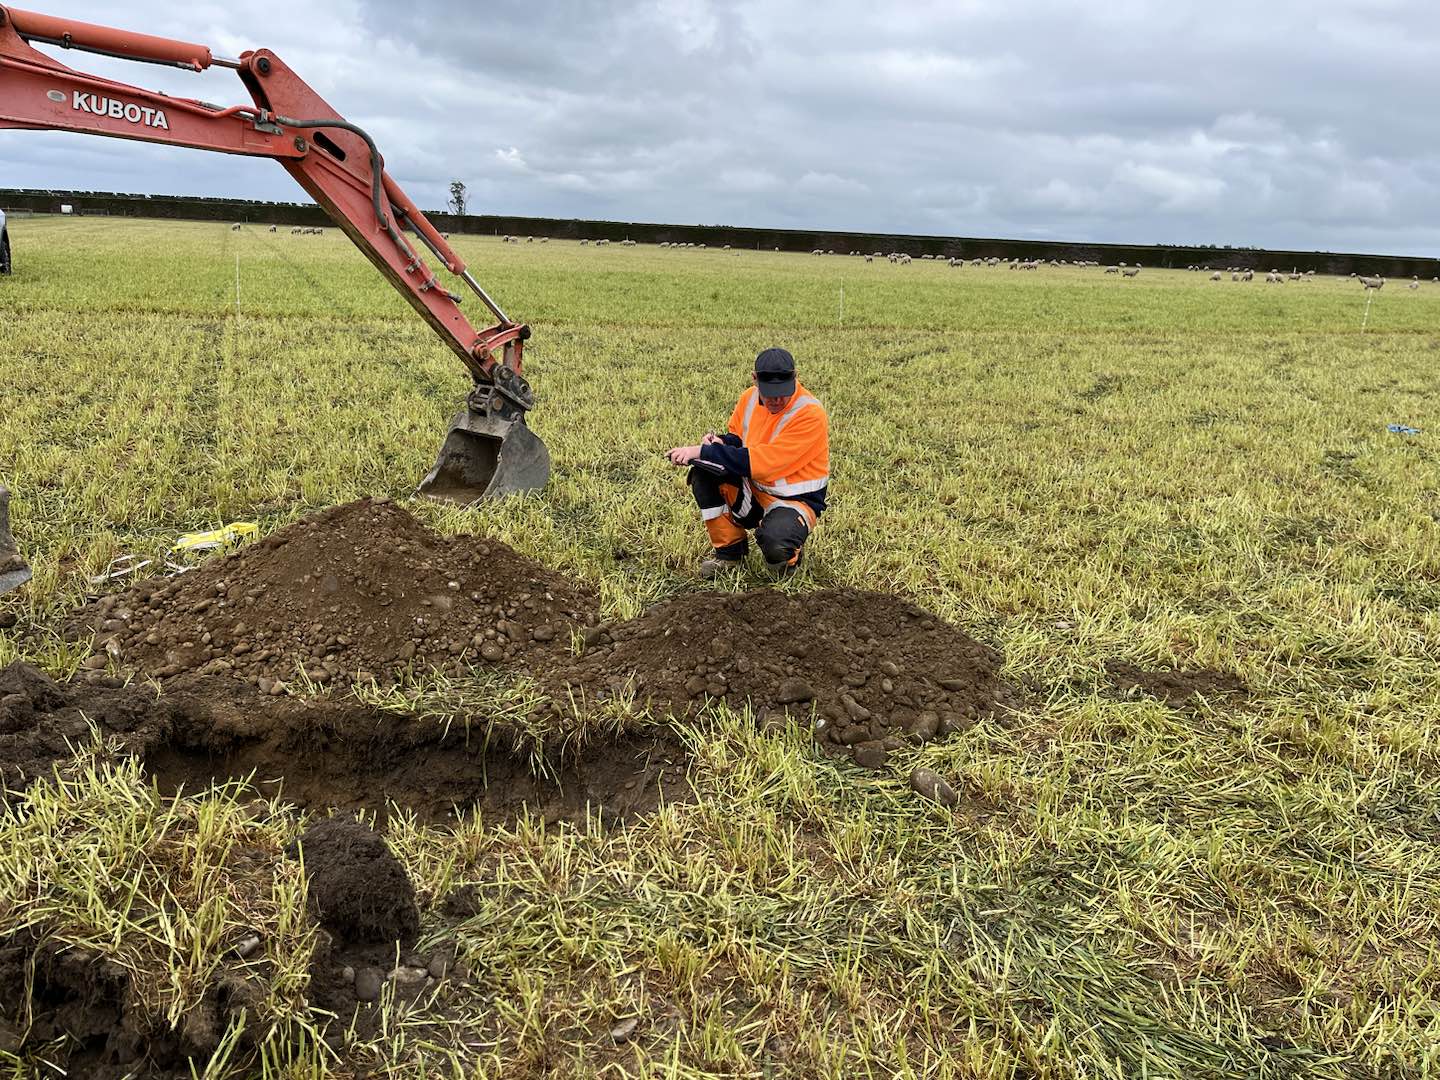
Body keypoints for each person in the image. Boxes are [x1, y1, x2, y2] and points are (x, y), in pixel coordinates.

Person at [666, 347, 829, 578]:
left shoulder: (810, 414)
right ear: (754, 379)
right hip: (754, 490)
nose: (776, 399)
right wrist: (720, 442)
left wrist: (701, 451)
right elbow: (739, 439)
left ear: (795, 377)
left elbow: (763, 462)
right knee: (703, 474)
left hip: (795, 502)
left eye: (782, 391)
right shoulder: (749, 399)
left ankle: (788, 557)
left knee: (776, 544)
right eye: (769, 392)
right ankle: (729, 555)